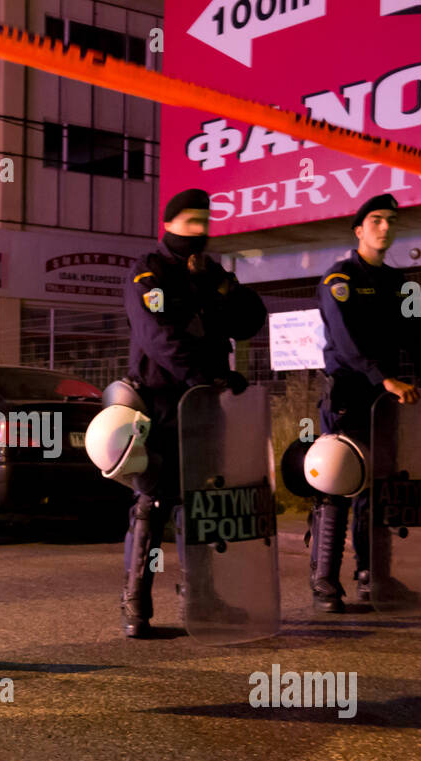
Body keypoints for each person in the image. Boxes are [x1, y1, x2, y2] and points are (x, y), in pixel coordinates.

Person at [120, 188, 268, 638]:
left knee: (205, 503)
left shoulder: (210, 272)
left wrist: (226, 287)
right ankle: (136, 603)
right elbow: (158, 338)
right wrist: (205, 376)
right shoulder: (149, 274)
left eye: (205, 222)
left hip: (207, 401)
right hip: (163, 403)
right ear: (169, 224)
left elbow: (248, 322)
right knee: (153, 503)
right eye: (190, 223)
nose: (200, 231)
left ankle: (204, 598)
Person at [311, 194, 421, 613]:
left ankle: (373, 574)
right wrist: (384, 378)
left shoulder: (399, 284)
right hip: (350, 395)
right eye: (376, 220)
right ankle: (324, 581)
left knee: (380, 488)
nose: (385, 228)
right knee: (338, 482)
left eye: (391, 221)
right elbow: (345, 342)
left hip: (388, 398)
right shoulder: (339, 279)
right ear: (358, 230)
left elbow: (416, 339)